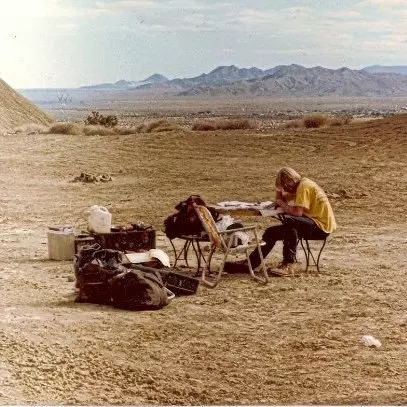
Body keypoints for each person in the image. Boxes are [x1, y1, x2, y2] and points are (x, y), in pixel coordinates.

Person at [228, 167, 337, 276]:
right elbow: (282, 199)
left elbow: (297, 213)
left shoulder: (304, 187)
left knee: (291, 221)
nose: (286, 189)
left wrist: (280, 203)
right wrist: (279, 191)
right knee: (271, 232)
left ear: (290, 181)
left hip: (320, 227)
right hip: (310, 221)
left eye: (285, 186)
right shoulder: (299, 185)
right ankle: (250, 264)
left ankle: (289, 264)